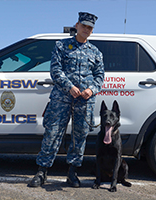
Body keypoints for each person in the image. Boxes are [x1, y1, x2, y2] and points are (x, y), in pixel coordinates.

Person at [27, 12, 104, 188]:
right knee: (52, 133)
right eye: (84, 25)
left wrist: (91, 90)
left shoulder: (96, 52)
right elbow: (55, 70)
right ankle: (42, 171)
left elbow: (100, 75)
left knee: (80, 136)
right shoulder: (61, 46)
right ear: (76, 25)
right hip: (61, 98)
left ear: (92, 31)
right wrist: (69, 86)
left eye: (90, 27)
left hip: (84, 102)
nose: (86, 29)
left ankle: (72, 172)